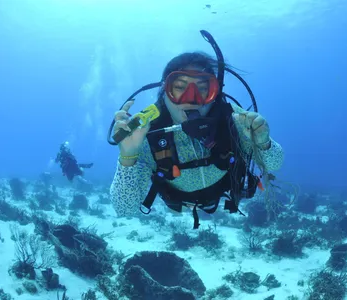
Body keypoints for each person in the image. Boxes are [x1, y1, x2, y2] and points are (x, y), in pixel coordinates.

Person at [108, 31, 284, 229]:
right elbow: (124, 208)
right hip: (177, 201)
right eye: (180, 87)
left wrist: (263, 142)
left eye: (202, 88)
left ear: (215, 93)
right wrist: (128, 155)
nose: (191, 98)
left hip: (223, 191)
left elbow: (275, 163)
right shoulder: (146, 131)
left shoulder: (233, 118)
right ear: (165, 92)